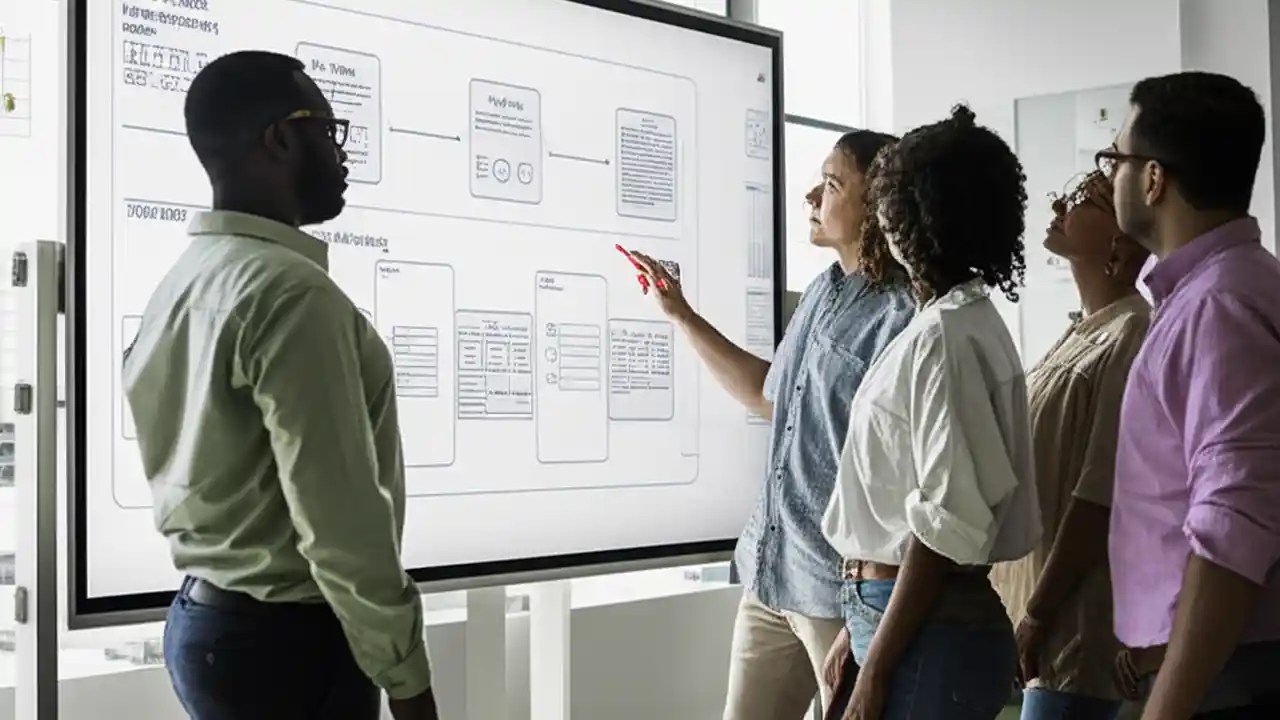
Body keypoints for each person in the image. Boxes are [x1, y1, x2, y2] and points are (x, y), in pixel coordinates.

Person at [122, 51, 438, 720]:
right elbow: (341, 524)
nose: (342, 152)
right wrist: (409, 685)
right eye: (328, 130)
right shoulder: (292, 295)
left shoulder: (185, 281)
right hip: (288, 645)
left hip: (206, 621)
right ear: (280, 138)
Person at [625, 130, 914, 719]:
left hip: (840, 591)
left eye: (832, 184)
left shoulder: (902, 313)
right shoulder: (821, 291)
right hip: (771, 573)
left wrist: (873, 611)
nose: (812, 194)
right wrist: (680, 313)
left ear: (877, 207)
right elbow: (768, 395)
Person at [821, 105, 1040, 720]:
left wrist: (880, 666)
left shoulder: (947, 336)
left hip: (929, 633)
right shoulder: (953, 322)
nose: (881, 216)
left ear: (917, 213)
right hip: (905, 617)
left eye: (888, 198)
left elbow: (944, 527)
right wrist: (856, 625)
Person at [1105, 71, 1280, 718]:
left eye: (1115, 159)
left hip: (1223, 678)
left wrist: (1167, 705)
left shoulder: (1220, 307)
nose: (1109, 178)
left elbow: (1235, 522)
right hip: (1205, 667)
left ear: (1154, 178)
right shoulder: (1213, 294)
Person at [989, 170, 1150, 720]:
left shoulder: (1132, 333)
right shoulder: (1083, 330)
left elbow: (1099, 493)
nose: (1060, 202)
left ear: (1120, 242)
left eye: (1084, 200)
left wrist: (1038, 612)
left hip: (1072, 628)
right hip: (1036, 619)